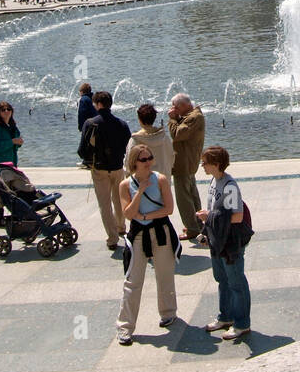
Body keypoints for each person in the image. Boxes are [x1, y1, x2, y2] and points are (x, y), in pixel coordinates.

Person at [116, 143, 179, 344]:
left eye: (150, 158)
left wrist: (146, 215)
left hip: (160, 231)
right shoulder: (125, 185)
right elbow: (128, 214)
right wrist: (141, 191)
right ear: (134, 162)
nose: (148, 163)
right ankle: (125, 326)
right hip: (137, 235)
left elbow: (169, 209)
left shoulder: (160, 180)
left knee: (165, 274)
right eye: (143, 159)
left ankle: (168, 312)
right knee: (132, 281)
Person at [197, 145, 251, 341]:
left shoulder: (229, 185)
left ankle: (242, 323)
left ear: (216, 164)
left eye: (205, 163)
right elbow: (215, 209)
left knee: (236, 282)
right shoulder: (214, 180)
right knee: (222, 279)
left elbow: (237, 216)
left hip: (230, 240)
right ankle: (226, 316)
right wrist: (206, 229)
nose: (202, 166)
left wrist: (208, 216)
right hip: (217, 238)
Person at [78, 91, 132, 249]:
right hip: (117, 166)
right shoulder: (121, 123)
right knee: (119, 199)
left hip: (99, 167)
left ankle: (112, 237)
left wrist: (89, 161)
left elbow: (82, 149)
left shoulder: (90, 123)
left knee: (105, 204)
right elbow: (128, 146)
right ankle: (121, 227)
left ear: (98, 104)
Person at [167, 93, 206, 241]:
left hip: (185, 162)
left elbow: (177, 134)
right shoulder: (192, 116)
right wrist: (176, 118)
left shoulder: (195, 117)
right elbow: (182, 128)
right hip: (187, 161)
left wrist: (172, 120)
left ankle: (192, 229)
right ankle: (197, 223)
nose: (174, 110)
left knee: (184, 197)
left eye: (176, 107)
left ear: (185, 105)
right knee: (191, 193)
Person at [125, 103, 174, 178]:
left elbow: (129, 163)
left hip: (143, 182)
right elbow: (171, 158)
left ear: (139, 119)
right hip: (163, 179)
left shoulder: (135, 139)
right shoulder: (164, 137)